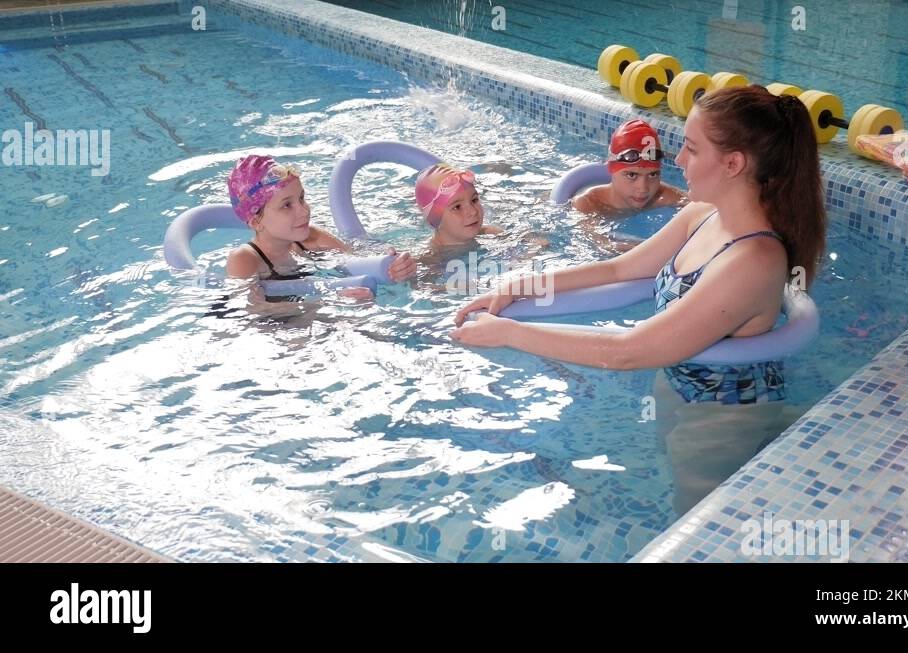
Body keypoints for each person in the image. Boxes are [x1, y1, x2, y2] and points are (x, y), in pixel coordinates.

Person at [452, 86, 827, 513]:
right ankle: (787, 431)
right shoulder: (701, 217)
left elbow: (630, 351)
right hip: (678, 382)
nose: (678, 162)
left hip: (724, 414)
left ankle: (778, 431)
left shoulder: (754, 259)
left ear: (733, 163)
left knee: (698, 523)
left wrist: (510, 334)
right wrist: (518, 286)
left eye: (690, 149)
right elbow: (620, 269)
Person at [225, 155, 417, 298]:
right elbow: (252, 311)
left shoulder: (312, 239)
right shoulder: (244, 259)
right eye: (287, 205)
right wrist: (331, 301)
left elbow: (353, 262)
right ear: (256, 221)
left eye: (301, 198)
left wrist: (394, 265)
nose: (304, 211)